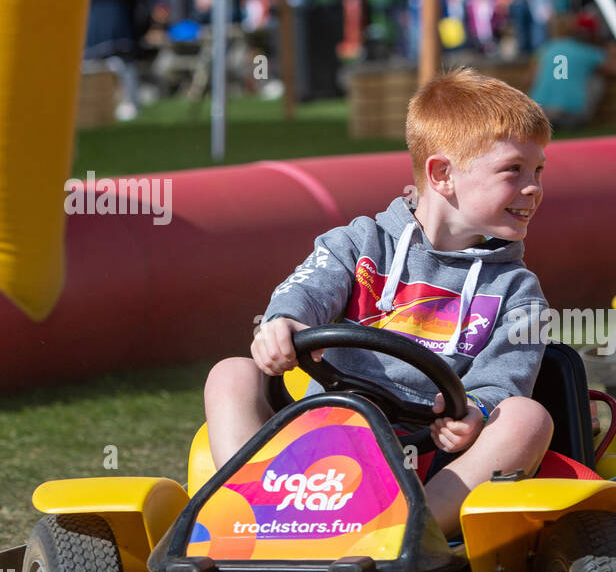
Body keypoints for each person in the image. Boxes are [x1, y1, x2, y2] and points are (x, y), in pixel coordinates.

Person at [204, 69, 556, 535]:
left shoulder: (517, 291)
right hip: (317, 437)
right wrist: (283, 322)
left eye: (538, 171)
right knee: (231, 373)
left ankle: (413, 531)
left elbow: (504, 381)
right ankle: (245, 516)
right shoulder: (359, 242)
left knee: (528, 419)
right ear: (443, 174)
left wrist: (473, 411)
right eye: (514, 170)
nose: (533, 188)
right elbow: (308, 289)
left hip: (429, 453)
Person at [528, 13, 616, 130]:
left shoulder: (548, 48)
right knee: (596, 80)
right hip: (568, 114)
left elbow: (531, 78)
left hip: (537, 111)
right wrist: (613, 50)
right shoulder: (588, 51)